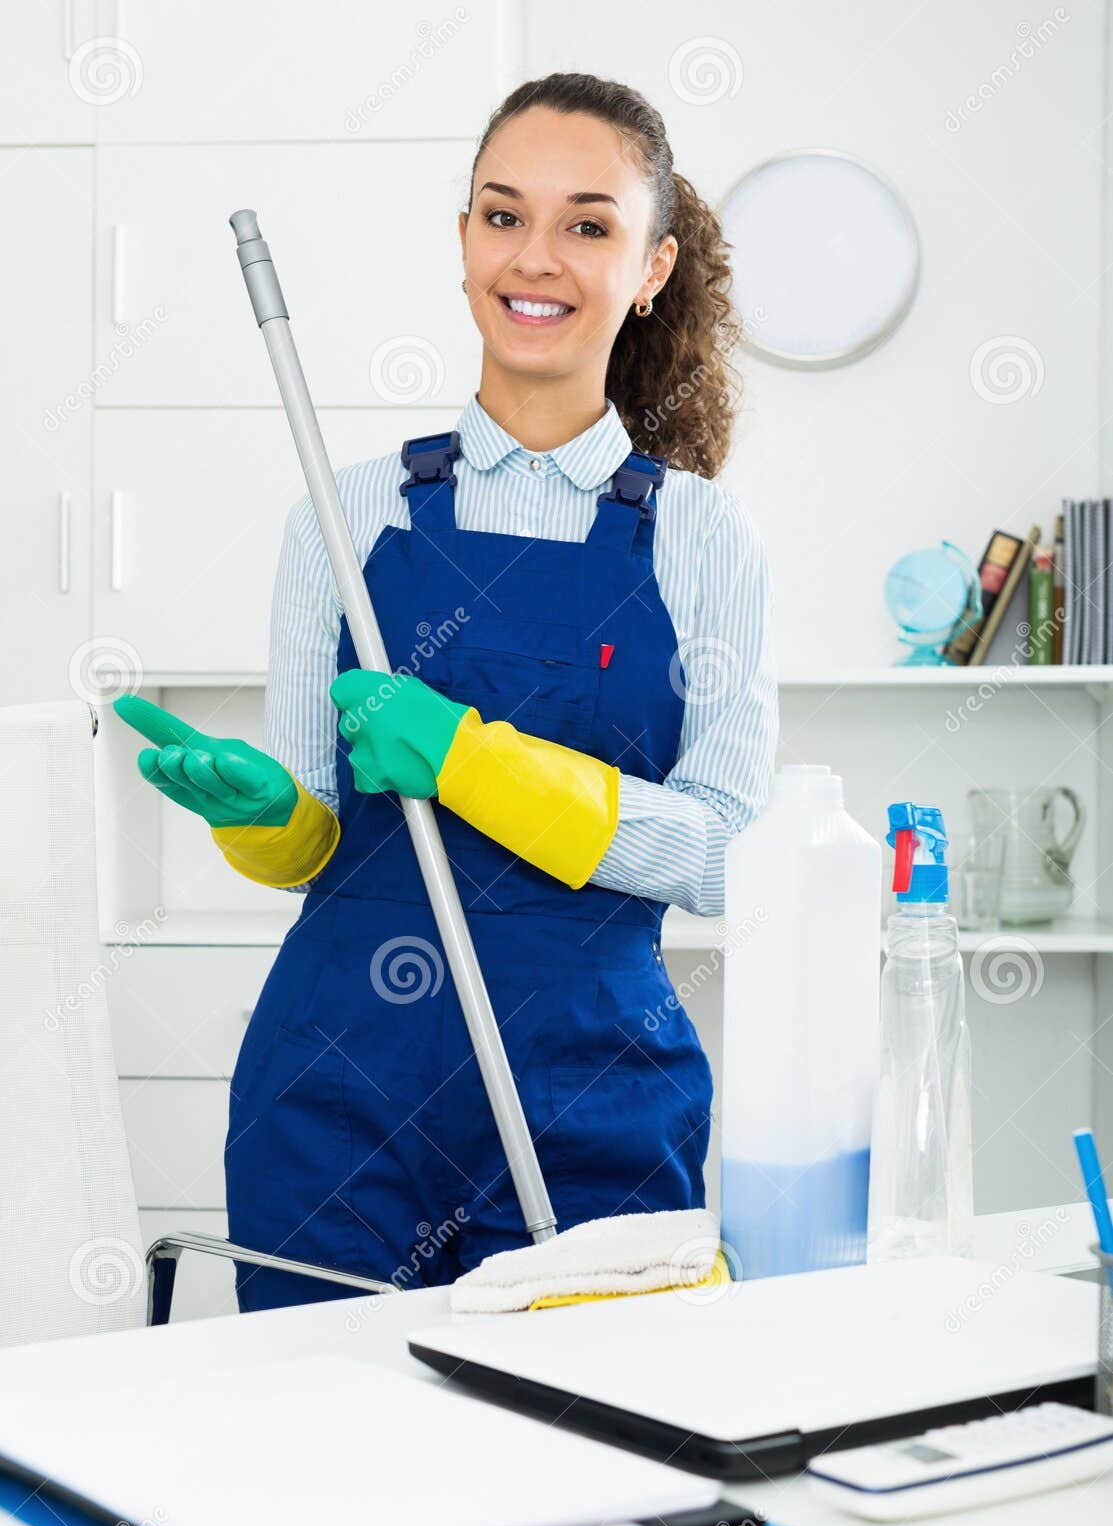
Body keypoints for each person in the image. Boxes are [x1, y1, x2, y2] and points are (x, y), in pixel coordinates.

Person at [115, 72, 778, 1311]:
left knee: (585, 1481)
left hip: (594, 1099)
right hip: (336, 1095)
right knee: (325, 1467)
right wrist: (265, 812)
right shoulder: (342, 512)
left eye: (589, 223)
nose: (536, 256)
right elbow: (319, 836)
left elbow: (732, 851)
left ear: (651, 267)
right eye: (501, 213)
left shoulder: (704, 537)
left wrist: (476, 762)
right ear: (463, 240)